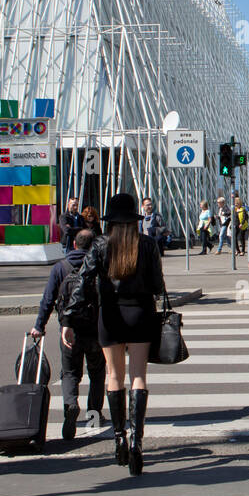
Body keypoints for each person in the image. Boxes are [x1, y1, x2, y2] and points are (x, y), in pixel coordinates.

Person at [62, 193, 165, 476]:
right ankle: (137, 442)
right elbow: (157, 285)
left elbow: (83, 282)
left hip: (109, 315)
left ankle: (119, 437)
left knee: (113, 376)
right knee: (139, 377)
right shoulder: (146, 244)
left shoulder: (99, 244)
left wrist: (68, 318)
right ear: (134, 219)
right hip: (140, 314)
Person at [33, 229, 105, 441]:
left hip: (69, 331)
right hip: (94, 331)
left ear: (74, 244)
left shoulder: (60, 268)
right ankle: (93, 416)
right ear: (93, 247)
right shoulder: (98, 266)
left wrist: (39, 326)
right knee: (97, 373)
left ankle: (70, 406)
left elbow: (47, 300)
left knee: (70, 373)